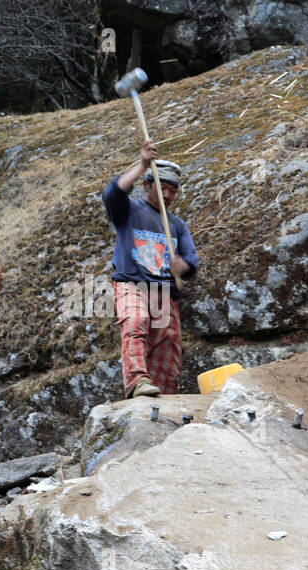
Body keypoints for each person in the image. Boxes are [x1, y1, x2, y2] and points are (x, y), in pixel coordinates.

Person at [102, 139, 200, 398]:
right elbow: (113, 193)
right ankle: (137, 382)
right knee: (136, 321)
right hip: (131, 283)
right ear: (146, 185)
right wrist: (142, 164)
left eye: (173, 191)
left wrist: (184, 266)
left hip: (164, 292)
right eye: (162, 188)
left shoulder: (176, 225)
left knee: (168, 348)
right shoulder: (129, 211)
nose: (167, 196)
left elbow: (192, 262)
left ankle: (163, 398)